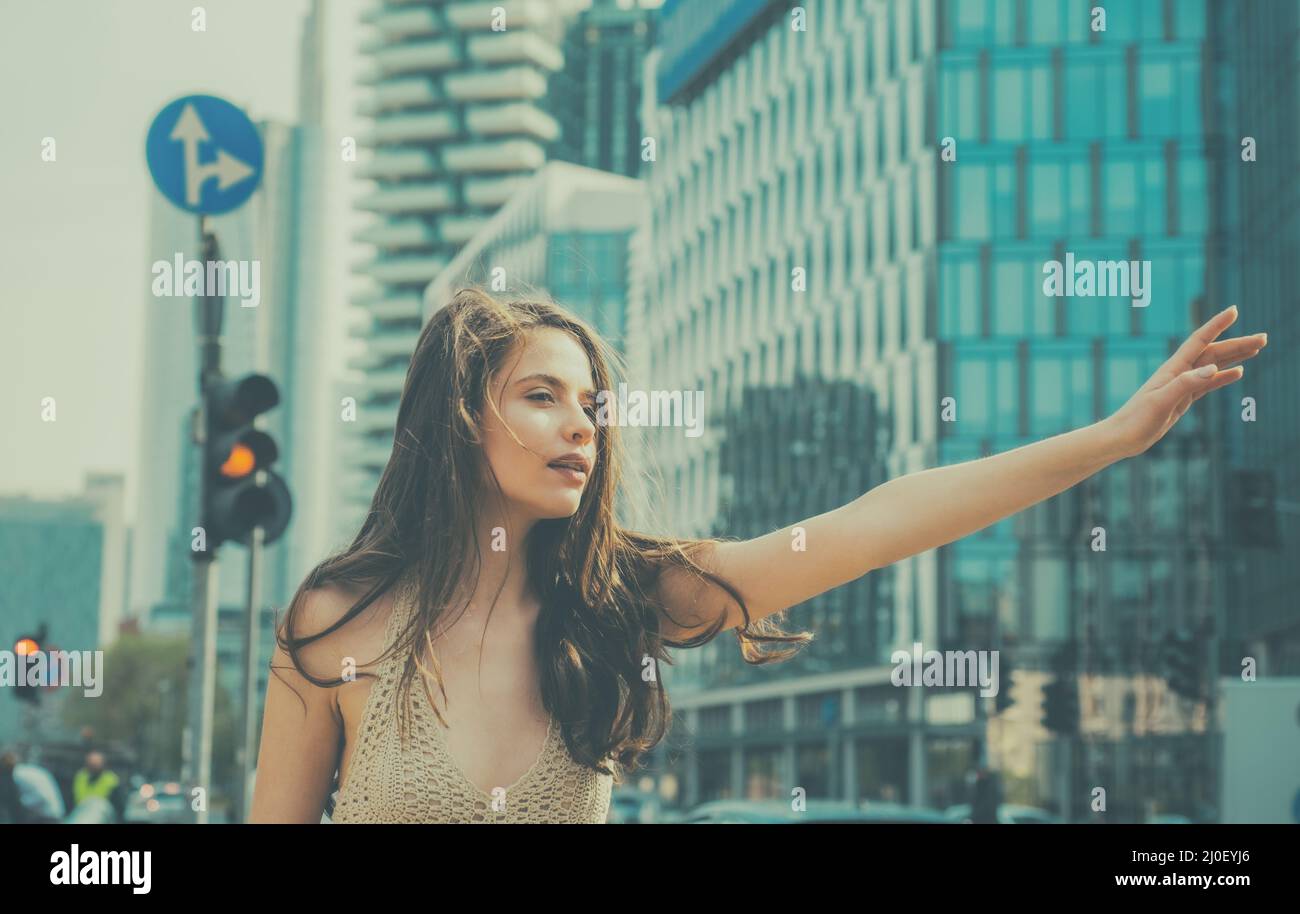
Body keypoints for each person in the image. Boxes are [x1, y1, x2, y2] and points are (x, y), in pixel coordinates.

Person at [250, 290, 1265, 824]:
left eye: (593, 405)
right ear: (465, 415)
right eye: (542, 395)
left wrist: (1111, 437)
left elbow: (878, 521)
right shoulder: (340, 620)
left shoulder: (624, 600)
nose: (582, 428)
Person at [72, 751, 122, 821]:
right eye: (91, 763)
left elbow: (117, 806)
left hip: (102, 816)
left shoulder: (111, 780)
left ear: (103, 764)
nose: (93, 765)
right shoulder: (80, 777)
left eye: (96, 763)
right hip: (81, 813)